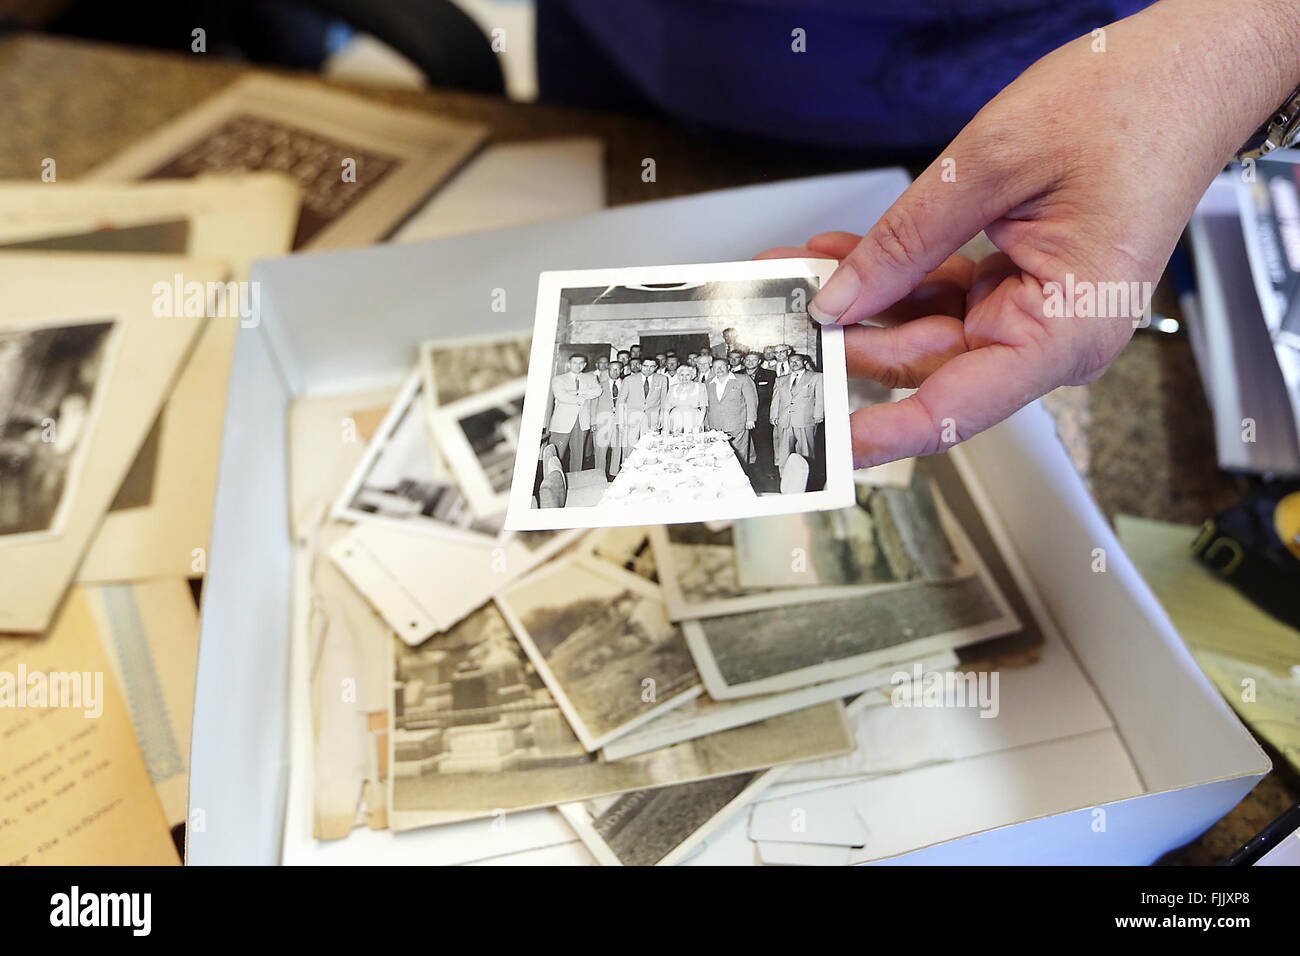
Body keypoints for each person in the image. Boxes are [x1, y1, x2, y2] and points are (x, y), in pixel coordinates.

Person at [771, 352, 823, 476]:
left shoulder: (815, 377)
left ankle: (805, 478)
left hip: (804, 419)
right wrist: (773, 416)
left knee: (806, 451)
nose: (794, 363)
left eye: (797, 361)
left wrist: (818, 414)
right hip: (785, 420)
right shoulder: (781, 380)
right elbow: (776, 399)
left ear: (804, 362)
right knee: (783, 452)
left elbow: (820, 397)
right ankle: (784, 477)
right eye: (791, 362)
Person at [549, 353, 601, 473]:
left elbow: (598, 391)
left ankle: (575, 479)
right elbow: (562, 396)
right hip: (562, 422)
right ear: (569, 364)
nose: (578, 366)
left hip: (582, 421)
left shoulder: (591, 378)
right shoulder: (558, 379)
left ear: (585, 365)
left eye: (581, 363)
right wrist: (583, 395)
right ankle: (552, 480)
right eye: (574, 363)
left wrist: (574, 392)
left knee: (578, 455)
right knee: (556, 455)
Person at [706, 356, 758, 466]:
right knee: (719, 453)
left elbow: (751, 400)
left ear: (728, 367)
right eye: (715, 367)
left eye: (722, 367)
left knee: (739, 454)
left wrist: (750, 420)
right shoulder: (709, 383)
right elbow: (707, 405)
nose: (719, 370)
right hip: (715, 424)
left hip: (736, 423)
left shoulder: (742, 379)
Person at [618, 355, 668, 454]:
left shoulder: (662, 379)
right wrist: (620, 422)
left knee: (650, 449)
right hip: (631, 418)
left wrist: (663, 417)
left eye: (652, 366)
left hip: (652, 419)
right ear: (641, 366)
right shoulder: (629, 380)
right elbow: (620, 401)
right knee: (629, 450)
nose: (648, 369)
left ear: (656, 367)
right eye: (645, 366)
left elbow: (664, 401)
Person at [743, 351, 777, 483]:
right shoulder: (737, 374)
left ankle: (768, 471)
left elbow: (773, 397)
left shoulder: (770, 375)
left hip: (762, 417)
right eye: (747, 360)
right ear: (744, 361)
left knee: (764, 445)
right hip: (742, 415)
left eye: (753, 360)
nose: (750, 362)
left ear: (759, 361)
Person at [594, 360, 624, 480]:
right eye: (612, 369)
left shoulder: (627, 384)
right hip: (603, 421)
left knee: (617, 448)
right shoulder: (600, 385)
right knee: (601, 449)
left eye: (617, 369)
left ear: (622, 370)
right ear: (608, 370)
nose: (614, 372)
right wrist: (593, 421)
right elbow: (593, 405)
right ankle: (598, 474)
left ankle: (614, 474)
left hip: (620, 421)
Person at [665, 364, 708, 433]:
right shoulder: (673, 388)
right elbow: (666, 409)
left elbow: (703, 408)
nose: (684, 377)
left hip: (693, 420)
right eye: (682, 375)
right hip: (676, 420)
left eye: (687, 375)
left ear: (692, 375)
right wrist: (666, 426)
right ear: (678, 376)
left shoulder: (700, 387)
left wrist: (698, 425)